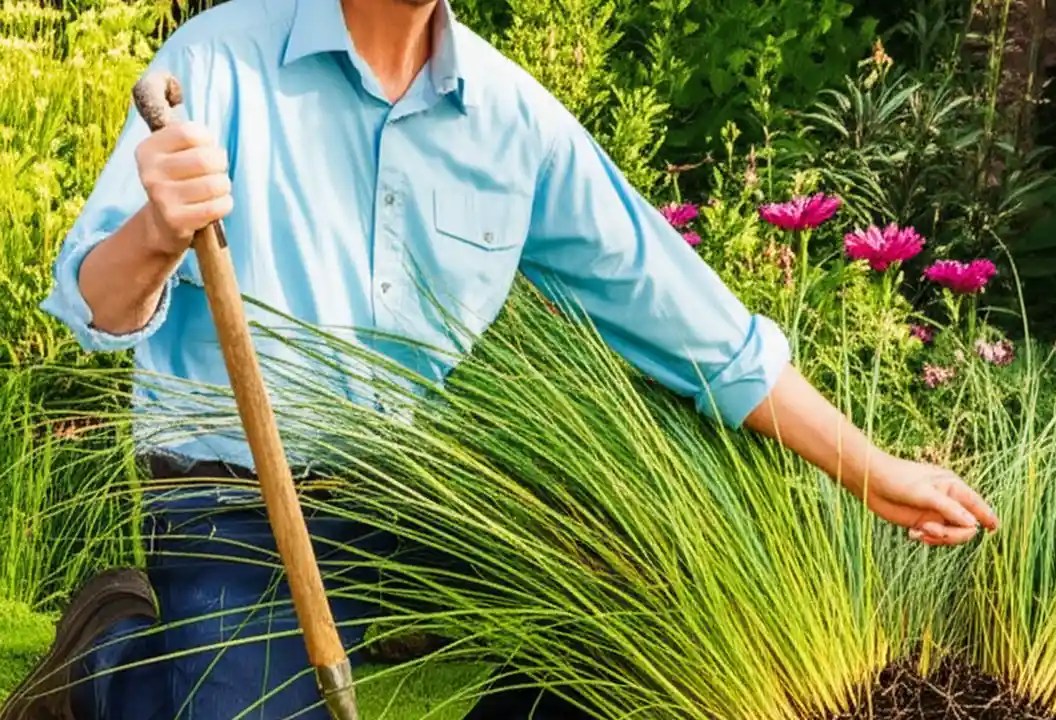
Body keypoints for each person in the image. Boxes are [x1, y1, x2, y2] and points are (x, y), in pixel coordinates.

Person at [2, 0, 999, 718]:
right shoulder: (219, 57)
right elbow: (96, 306)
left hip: (408, 495)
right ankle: (115, 662)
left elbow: (690, 322)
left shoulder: (514, 122)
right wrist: (157, 231)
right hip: (230, 499)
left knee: (648, 602)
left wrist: (871, 468)